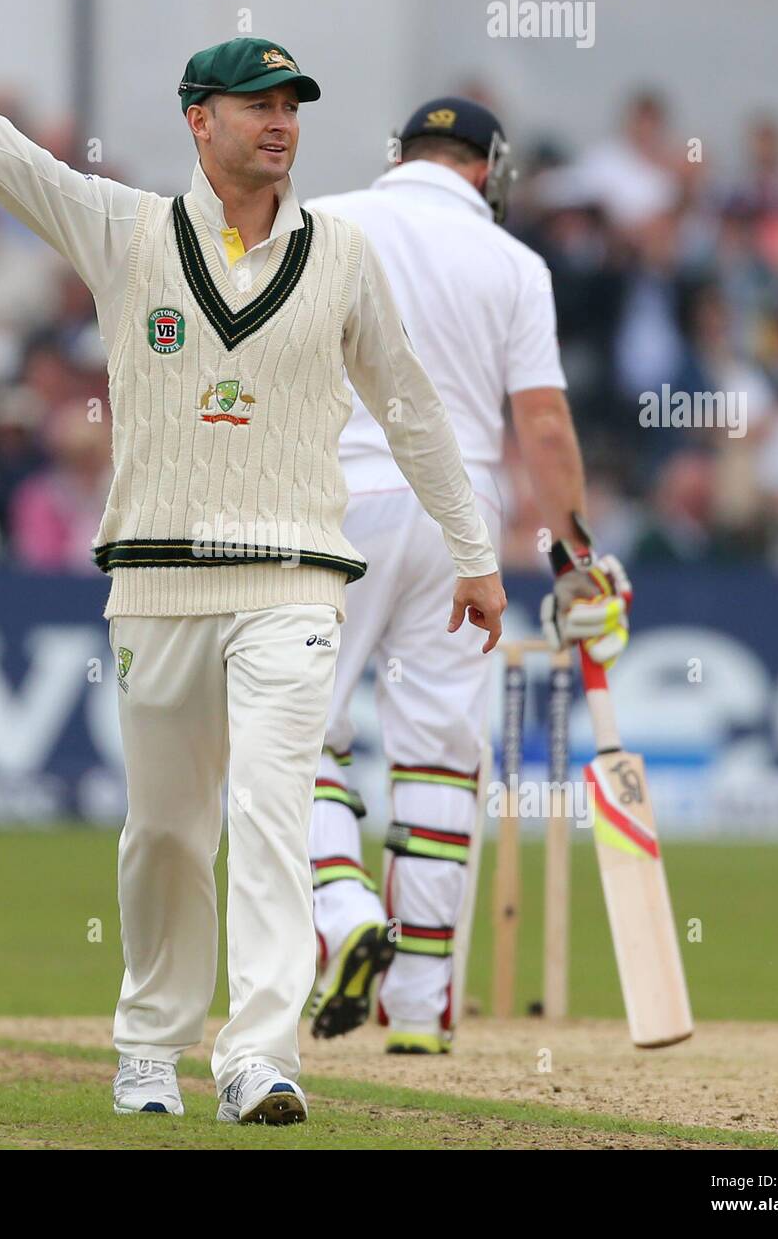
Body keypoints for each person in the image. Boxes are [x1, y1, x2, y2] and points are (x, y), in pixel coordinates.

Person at [0, 6, 506, 1124]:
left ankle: (260, 1054)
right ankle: (151, 1042)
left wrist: (474, 550)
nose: (279, 125)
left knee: (270, 809)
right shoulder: (124, 232)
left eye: (291, 108)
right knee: (166, 829)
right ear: (196, 120)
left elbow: (408, 405)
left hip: (296, 578)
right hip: (157, 583)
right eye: (256, 106)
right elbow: (1, 152)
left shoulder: (342, 254)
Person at [304, 97, 633, 1054]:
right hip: (465, 527)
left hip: (335, 500)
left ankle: (340, 911)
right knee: (440, 753)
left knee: (297, 730)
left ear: (398, 153)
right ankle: (418, 1007)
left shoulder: (327, 220)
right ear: (488, 170)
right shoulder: (515, 264)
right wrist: (576, 559)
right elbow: (543, 424)